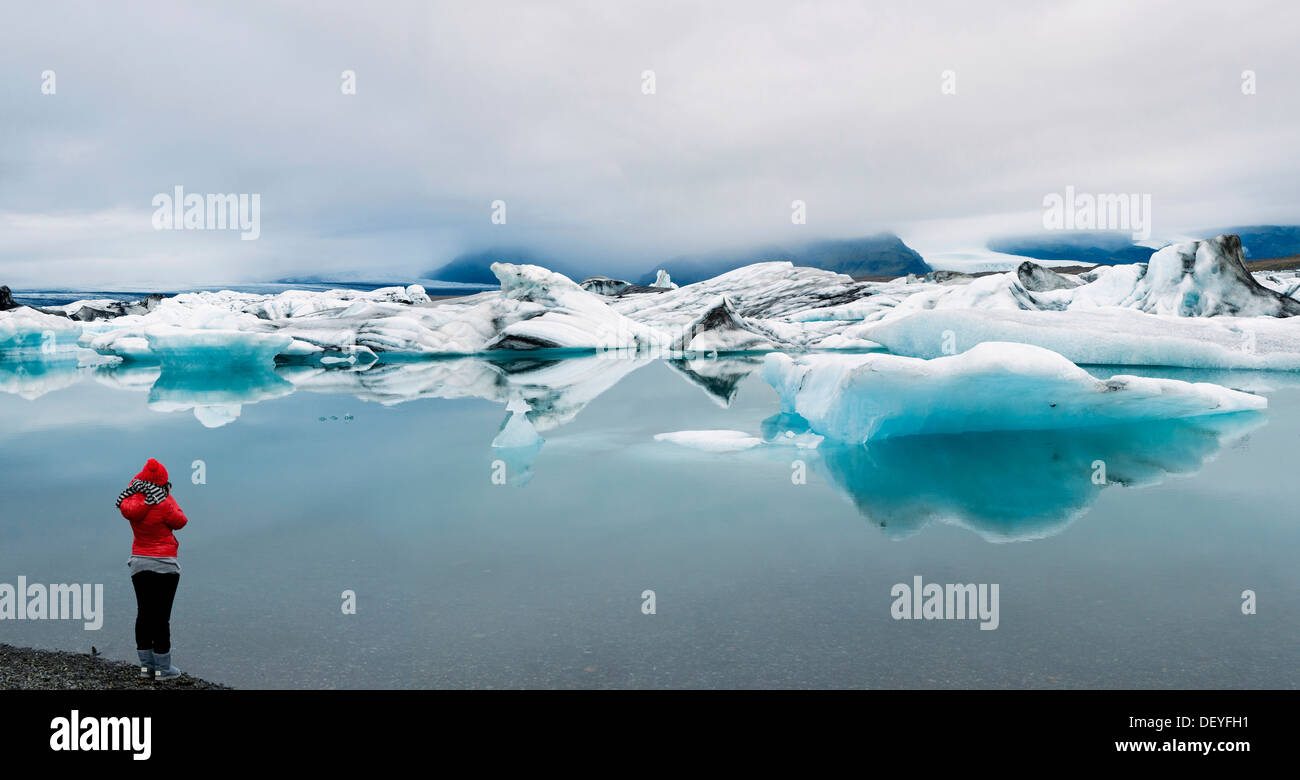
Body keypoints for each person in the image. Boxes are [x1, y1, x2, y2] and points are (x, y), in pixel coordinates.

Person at [115, 458, 188, 681]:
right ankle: (163, 669)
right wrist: (168, 494)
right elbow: (181, 521)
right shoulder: (164, 503)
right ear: (162, 483)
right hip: (164, 564)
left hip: (139, 562)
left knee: (144, 614)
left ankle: (147, 667)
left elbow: (138, 510)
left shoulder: (130, 500)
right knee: (161, 618)